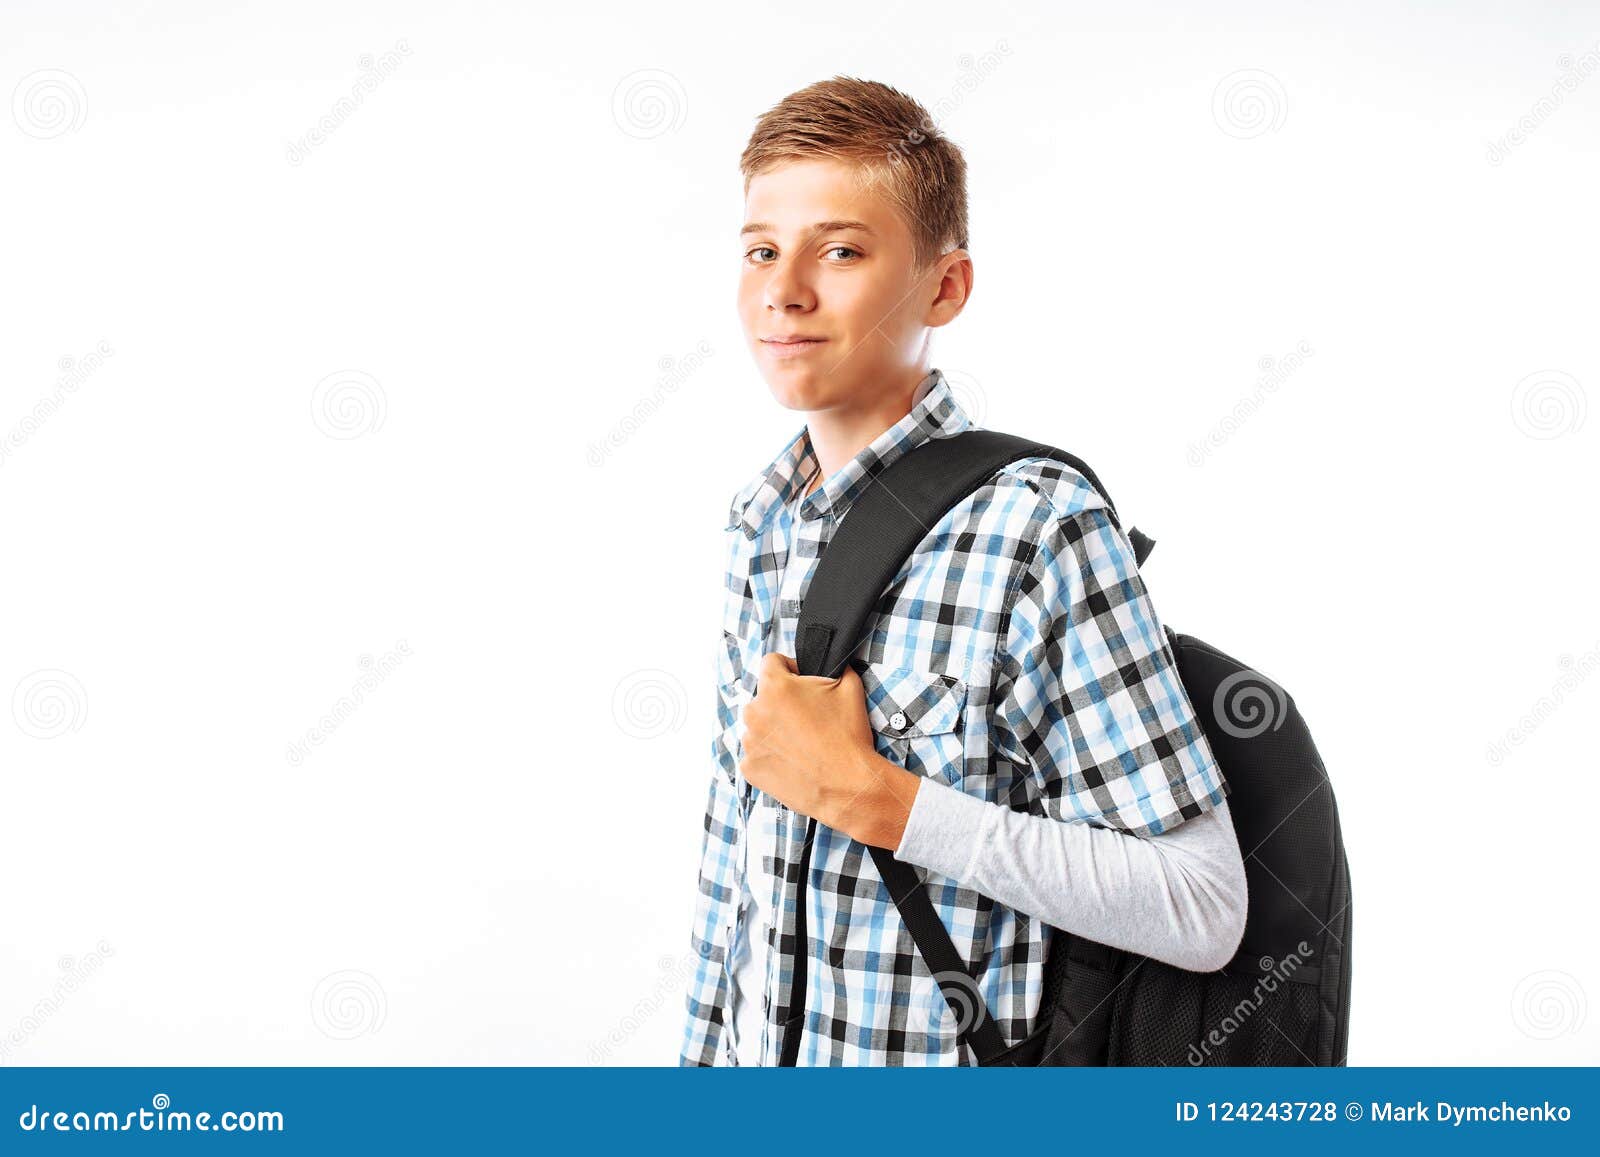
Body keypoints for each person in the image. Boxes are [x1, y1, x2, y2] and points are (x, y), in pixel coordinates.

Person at [679, 76, 1247, 1067]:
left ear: (944, 287)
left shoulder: (1039, 528)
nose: (784, 289)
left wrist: (881, 801)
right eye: (762, 250)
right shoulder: (757, 521)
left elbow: (1202, 904)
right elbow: (733, 874)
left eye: (840, 250)